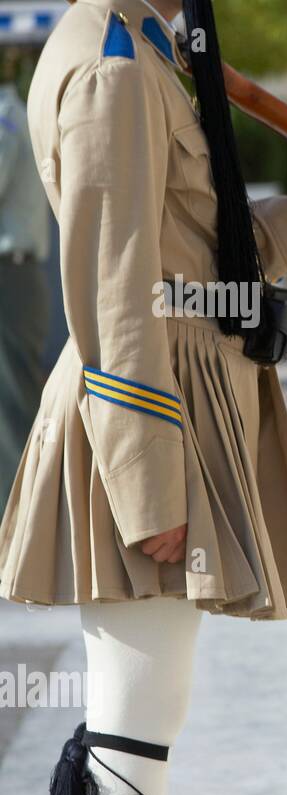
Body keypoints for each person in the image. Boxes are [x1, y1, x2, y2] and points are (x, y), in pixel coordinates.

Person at [1, 0, 287, 795]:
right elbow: (117, 292)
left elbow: (199, 255)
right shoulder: (114, 64)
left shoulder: (142, 42)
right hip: (146, 414)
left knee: (144, 715)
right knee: (133, 725)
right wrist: (148, 486)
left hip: (178, 398)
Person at [0, 79, 51, 514]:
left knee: (11, 410)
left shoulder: (4, 119)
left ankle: (20, 522)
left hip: (8, 278)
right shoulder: (14, 114)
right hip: (16, 275)